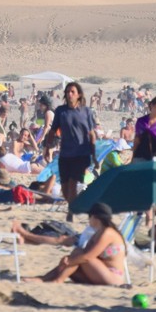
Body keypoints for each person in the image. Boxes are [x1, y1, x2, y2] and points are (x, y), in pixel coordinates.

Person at [26, 203, 126, 285]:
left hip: (113, 276)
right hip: (100, 273)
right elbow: (85, 253)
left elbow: (88, 257)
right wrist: (68, 260)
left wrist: (69, 261)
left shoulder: (107, 233)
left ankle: (57, 281)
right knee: (75, 260)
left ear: (95, 217)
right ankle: (44, 278)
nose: (89, 220)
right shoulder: (98, 232)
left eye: (89, 217)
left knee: (77, 254)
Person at [51, 82, 96, 221]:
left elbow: (92, 134)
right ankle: (78, 205)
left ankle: (71, 212)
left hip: (82, 154)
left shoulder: (86, 112)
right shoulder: (60, 111)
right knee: (65, 189)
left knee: (72, 183)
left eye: (72, 92)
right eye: (68, 92)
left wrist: (94, 155)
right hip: (65, 154)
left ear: (79, 95)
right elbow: (53, 130)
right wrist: (47, 147)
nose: (69, 94)